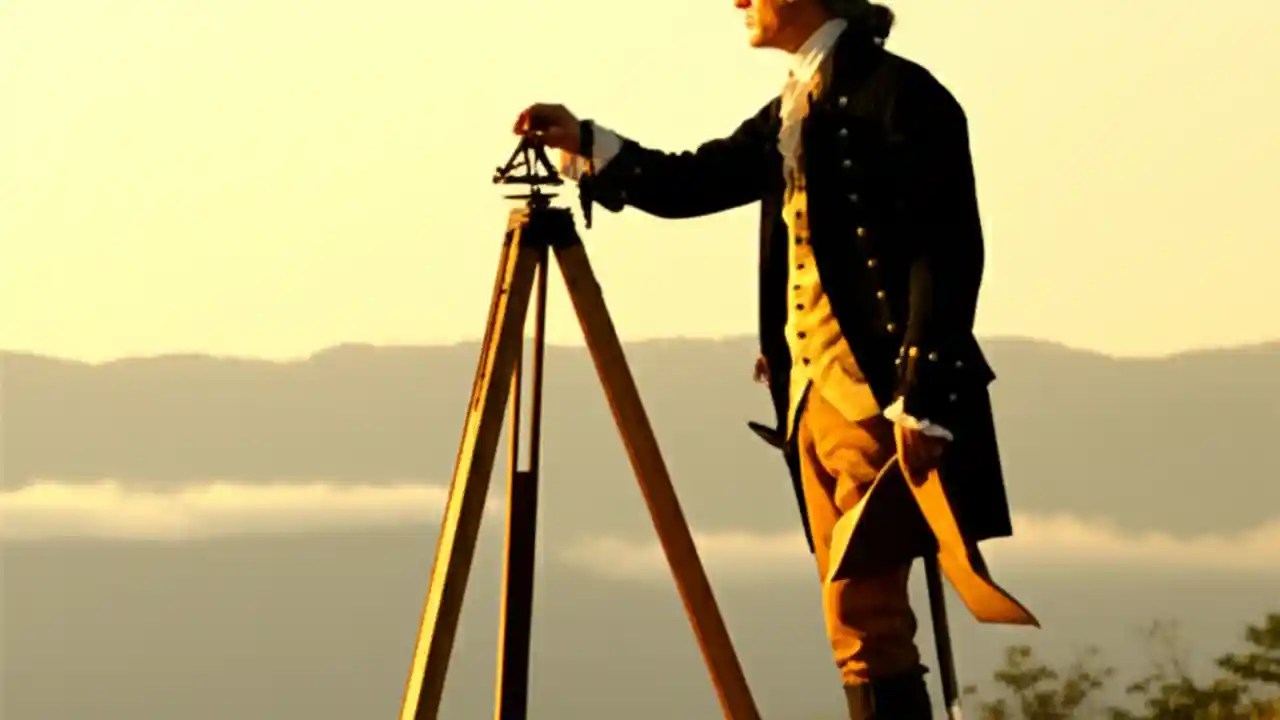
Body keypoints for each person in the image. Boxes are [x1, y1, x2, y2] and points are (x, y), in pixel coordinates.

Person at [513, 1, 1018, 717]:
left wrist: (924, 393)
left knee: (862, 612)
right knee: (853, 623)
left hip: (877, 398)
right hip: (810, 398)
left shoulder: (903, 96)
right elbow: (694, 183)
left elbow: (947, 247)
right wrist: (586, 141)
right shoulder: (794, 101)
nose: (737, 0)